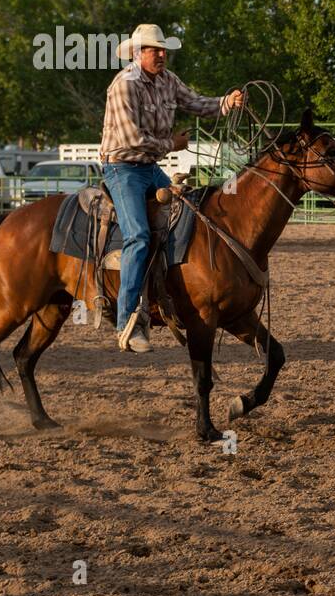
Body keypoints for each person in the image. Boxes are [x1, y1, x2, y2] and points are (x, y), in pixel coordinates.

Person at [100, 23, 244, 352]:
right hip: (122, 169)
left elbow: (196, 103)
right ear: (138, 53)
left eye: (164, 49)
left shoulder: (168, 81)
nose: (163, 54)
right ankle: (128, 321)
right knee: (138, 235)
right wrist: (173, 144)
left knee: (191, 215)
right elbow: (132, 138)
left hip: (149, 168)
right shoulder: (124, 85)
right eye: (155, 50)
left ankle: (175, 298)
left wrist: (227, 102)